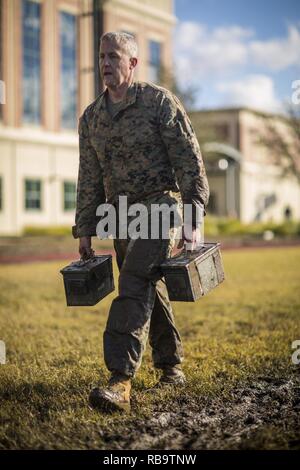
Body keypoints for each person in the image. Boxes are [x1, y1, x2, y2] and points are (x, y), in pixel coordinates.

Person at [72, 32, 209, 413]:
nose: (105, 63)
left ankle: (120, 379)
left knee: (133, 281)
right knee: (149, 285)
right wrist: (85, 229)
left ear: (133, 63)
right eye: (101, 56)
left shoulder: (158, 102)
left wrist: (193, 215)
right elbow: (89, 176)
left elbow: (189, 158)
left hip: (161, 207)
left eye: (113, 56)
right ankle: (171, 366)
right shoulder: (91, 117)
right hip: (120, 216)